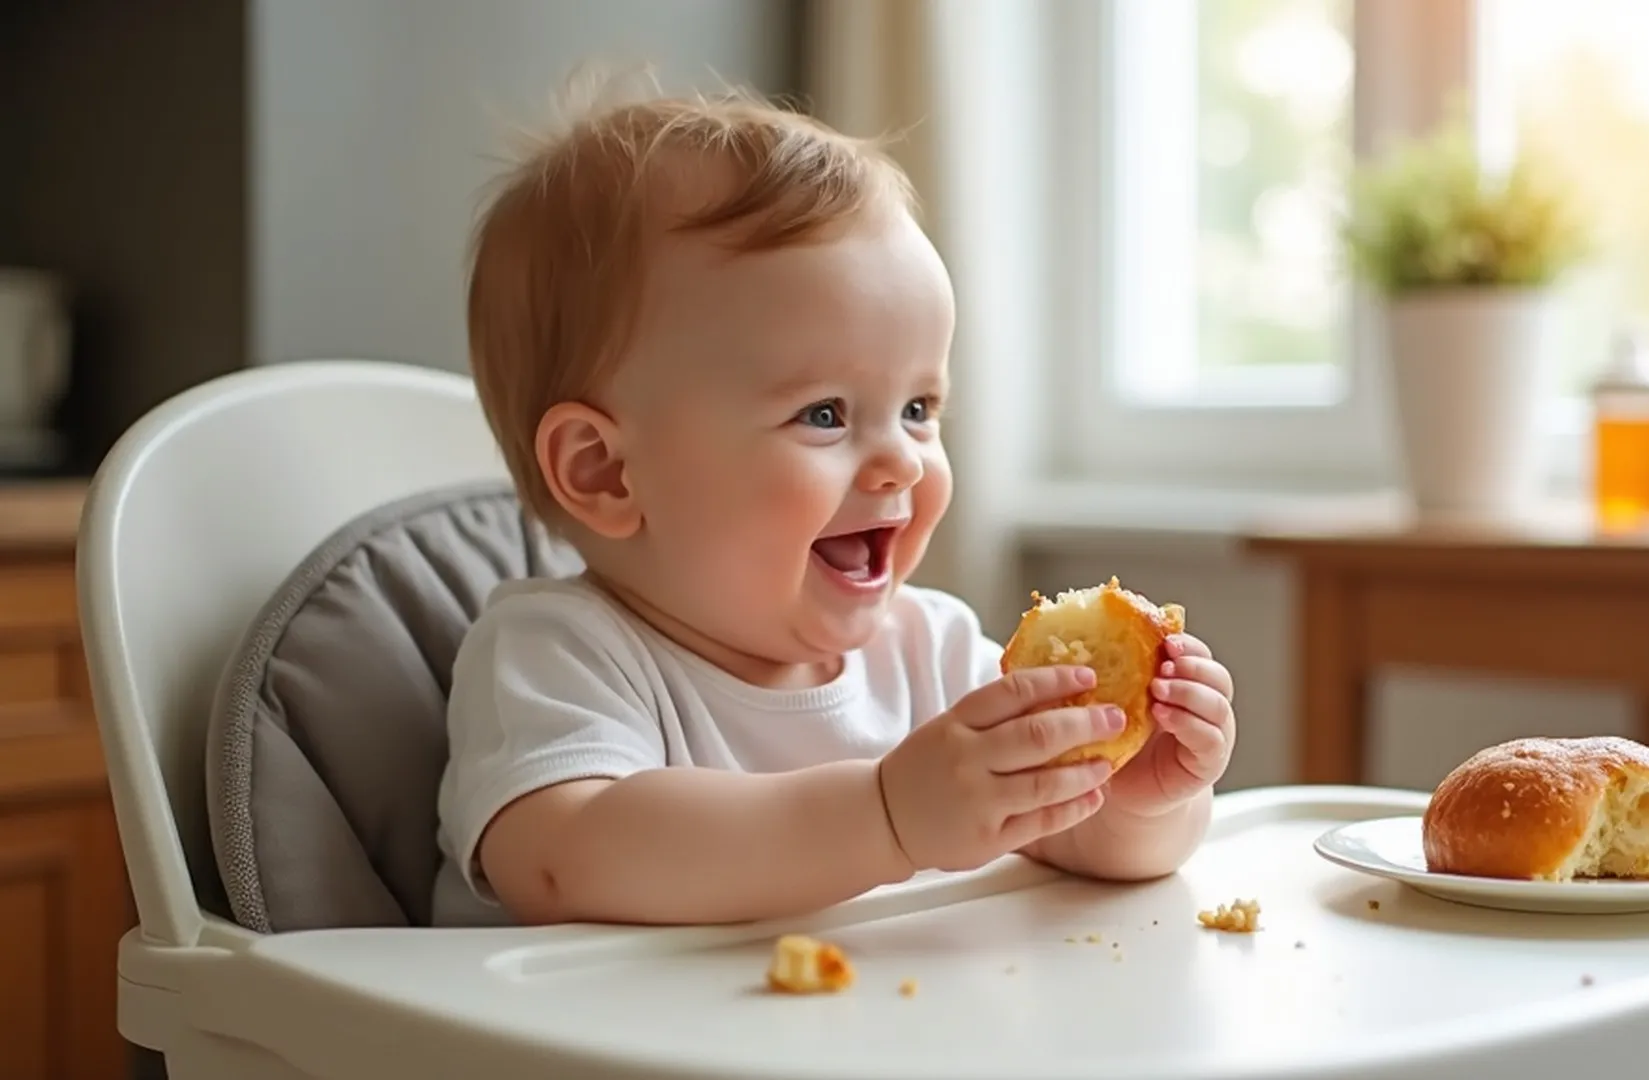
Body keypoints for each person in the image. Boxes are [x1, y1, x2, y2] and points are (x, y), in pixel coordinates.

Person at [432, 72, 1238, 928]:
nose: (901, 463)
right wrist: (885, 817)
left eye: (919, 409)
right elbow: (570, 857)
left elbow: (1058, 835)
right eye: (824, 414)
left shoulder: (930, 654)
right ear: (605, 472)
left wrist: (1136, 801)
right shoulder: (557, 653)